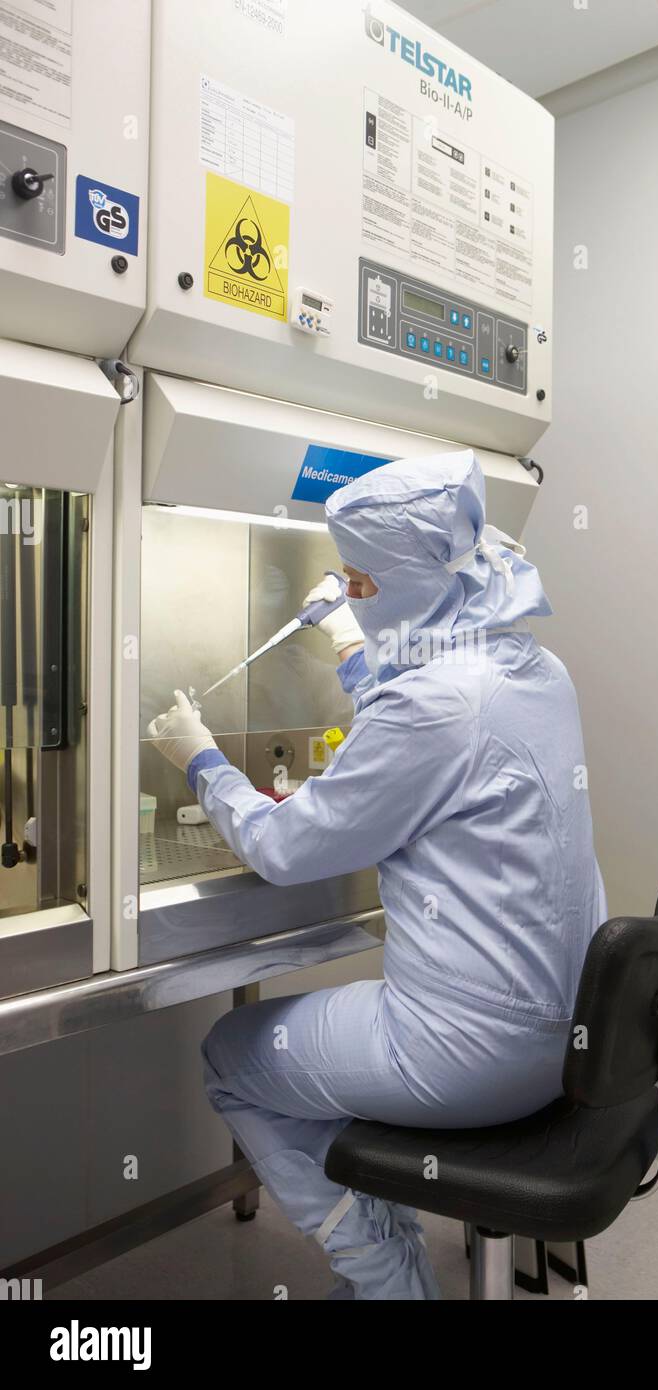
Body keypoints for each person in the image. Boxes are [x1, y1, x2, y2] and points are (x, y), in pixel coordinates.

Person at [147, 449, 606, 1300]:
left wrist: (200, 759)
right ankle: (383, 1229)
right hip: (572, 1038)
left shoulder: (433, 704)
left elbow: (284, 849)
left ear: (413, 581)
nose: (351, 593)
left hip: (469, 1053)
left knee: (230, 1054)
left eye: (361, 582)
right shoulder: (538, 670)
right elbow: (427, 731)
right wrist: (356, 648)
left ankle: (386, 1276)